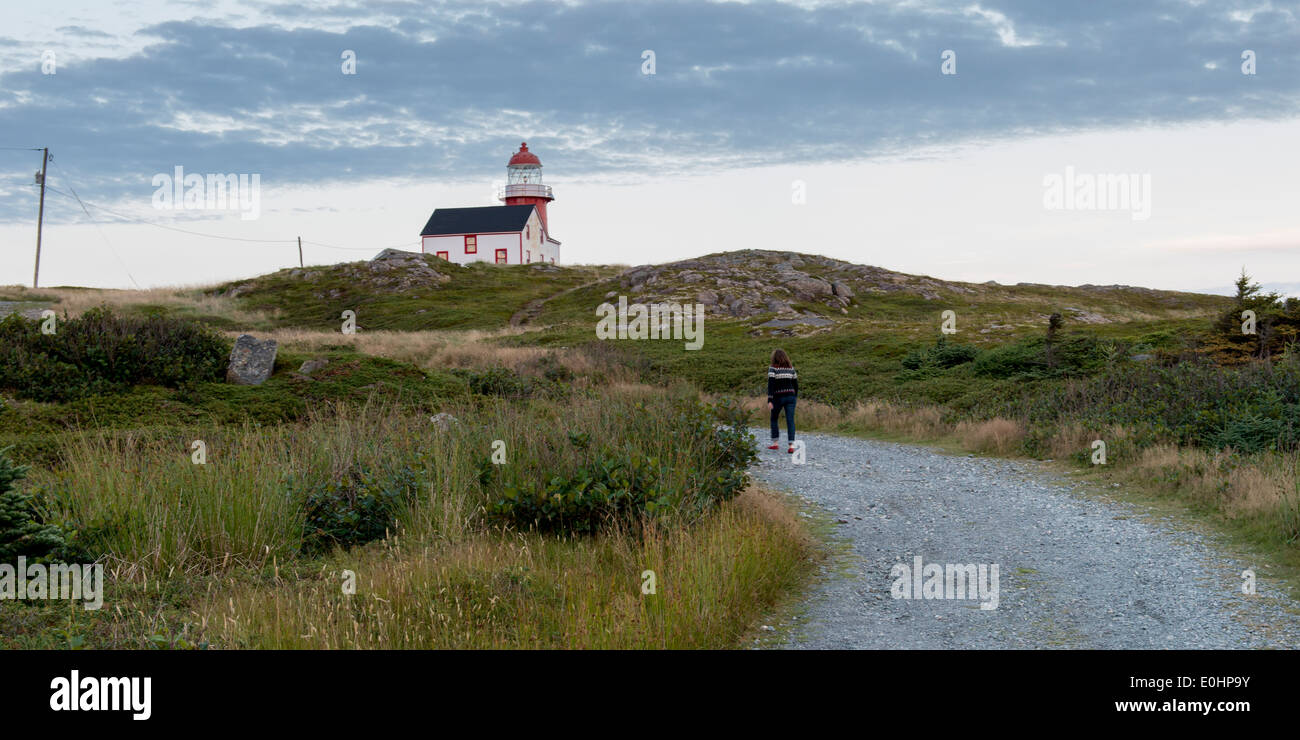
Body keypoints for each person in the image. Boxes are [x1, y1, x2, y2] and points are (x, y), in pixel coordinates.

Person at [766, 349, 798, 453]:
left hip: (778, 397)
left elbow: (771, 385)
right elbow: (795, 384)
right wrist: (795, 396)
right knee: (790, 420)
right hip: (791, 396)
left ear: (774, 357)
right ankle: (791, 446)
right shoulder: (791, 368)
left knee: (774, 418)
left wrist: (769, 400)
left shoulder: (772, 369)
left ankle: (775, 443)